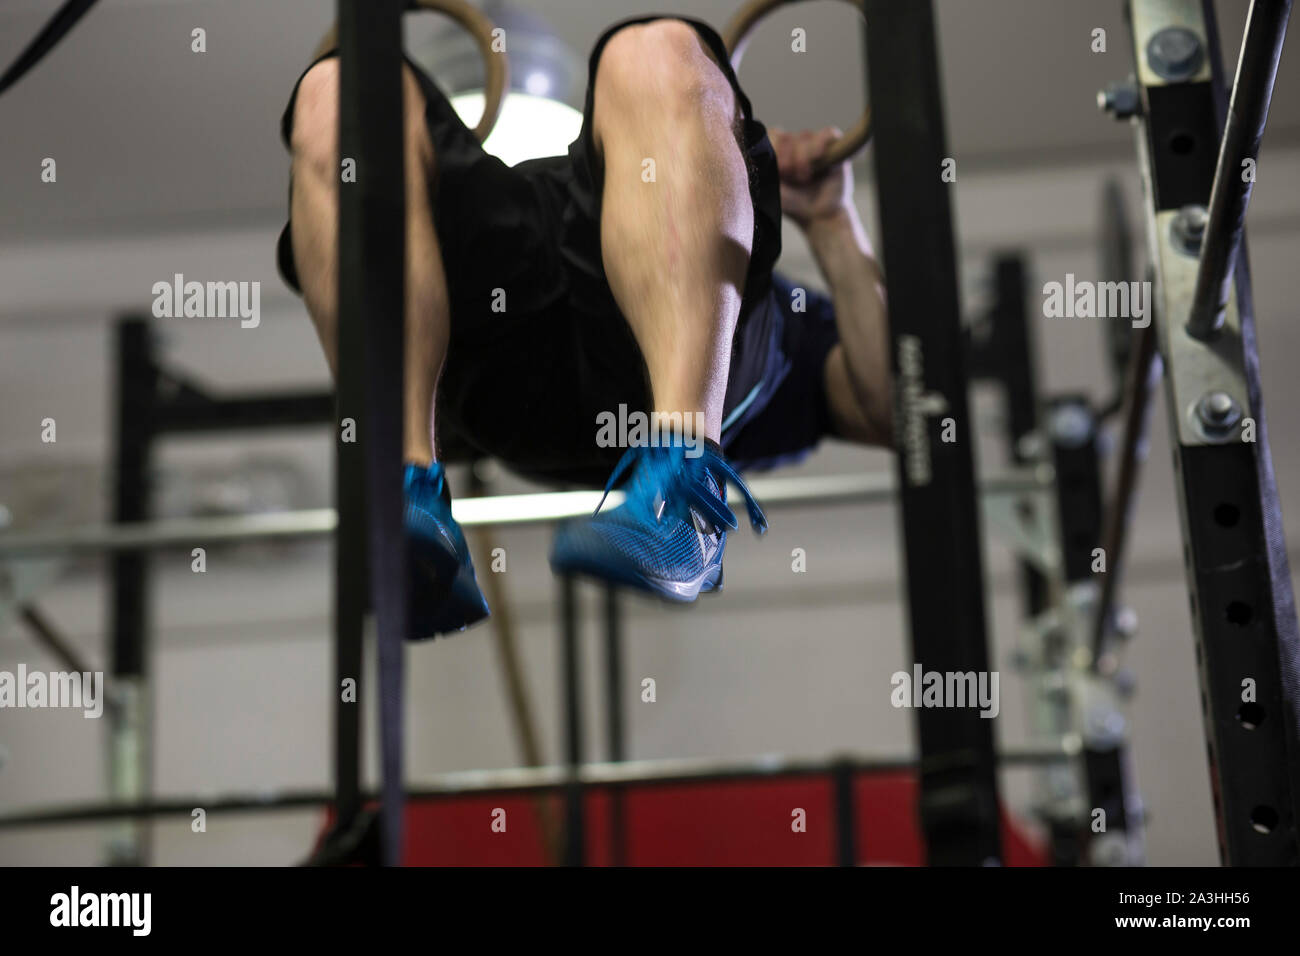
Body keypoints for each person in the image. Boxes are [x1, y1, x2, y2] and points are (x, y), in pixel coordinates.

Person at [276, 15, 890, 636]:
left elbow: (893, 409)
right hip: (507, 342)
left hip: (673, 375)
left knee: (654, 50)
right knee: (338, 94)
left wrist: (834, 223)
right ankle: (406, 494)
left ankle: (679, 488)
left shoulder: (789, 325)